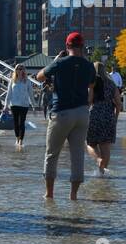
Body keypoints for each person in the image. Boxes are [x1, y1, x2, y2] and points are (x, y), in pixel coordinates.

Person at [36, 32, 96, 200]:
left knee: (52, 153)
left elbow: (40, 77)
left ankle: (49, 193)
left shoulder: (60, 63)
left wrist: (55, 61)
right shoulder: (89, 65)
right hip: (82, 113)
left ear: (67, 46)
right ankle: (73, 195)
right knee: (77, 155)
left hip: (62, 112)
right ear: (82, 47)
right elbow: (91, 84)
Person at [86, 60, 121, 175]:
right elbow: (118, 103)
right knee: (105, 145)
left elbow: (89, 100)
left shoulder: (92, 82)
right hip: (109, 116)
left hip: (95, 114)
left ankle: (98, 160)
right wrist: (115, 117)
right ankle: (103, 171)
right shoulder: (111, 83)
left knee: (90, 143)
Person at [5, 64, 34, 150]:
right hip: (14, 105)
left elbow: (31, 94)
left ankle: (21, 140)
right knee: (16, 123)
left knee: (22, 122)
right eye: (18, 69)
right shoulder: (12, 81)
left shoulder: (27, 81)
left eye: (22, 69)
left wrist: (33, 105)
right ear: (16, 70)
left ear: (24, 71)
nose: (20, 70)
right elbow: (8, 94)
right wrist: (6, 105)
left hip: (24, 105)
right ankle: (17, 138)